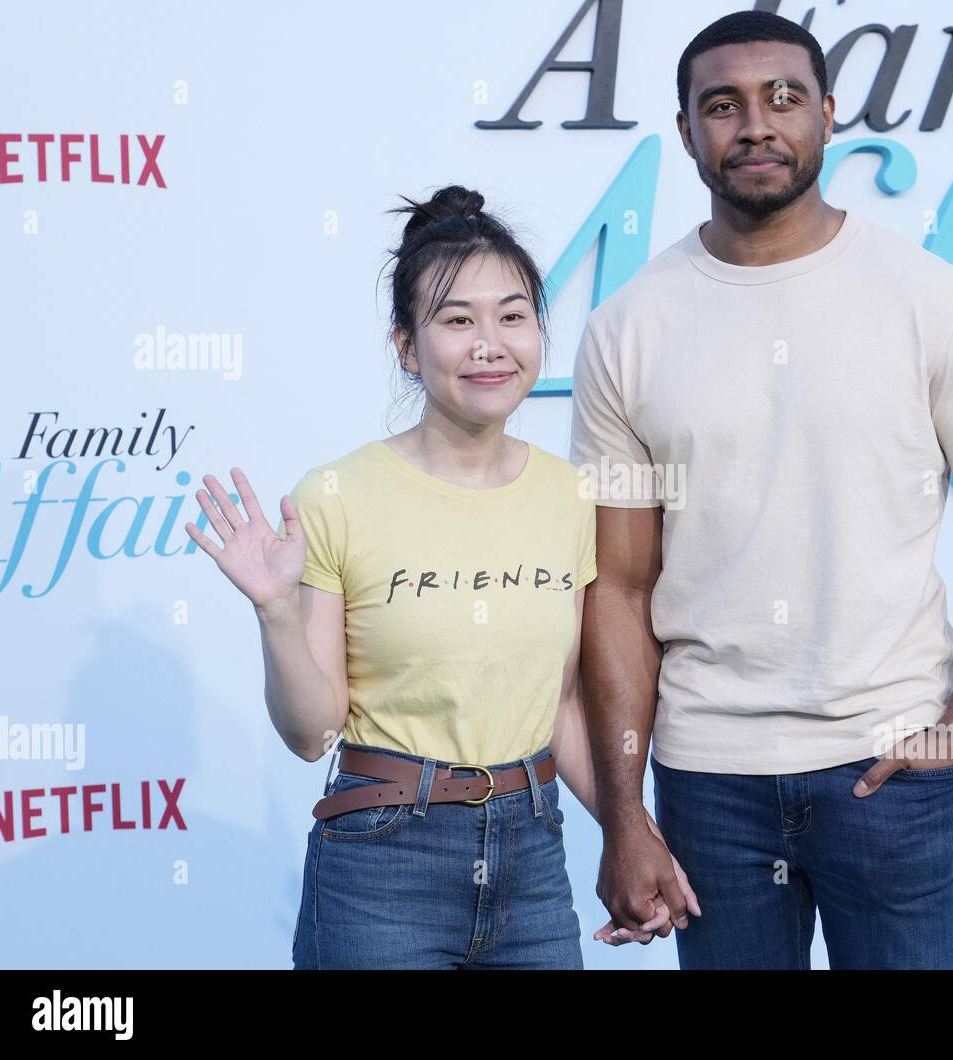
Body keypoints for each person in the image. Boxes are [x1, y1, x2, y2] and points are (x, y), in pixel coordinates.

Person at [570, 11, 953, 969]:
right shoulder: (628, 329)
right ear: (686, 132)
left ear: (829, 116)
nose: (755, 125)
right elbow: (620, 587)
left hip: (888, 776)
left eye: (784, 98)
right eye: (723, 105)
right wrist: (625, 813)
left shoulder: (926, 297)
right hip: (708, 782)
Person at [185, 185, 697, 969]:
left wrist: (637, 836)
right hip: (383, 860)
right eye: (457, 320)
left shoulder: (572, 497)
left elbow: (559, 705)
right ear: (406, 346)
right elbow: (311, 733)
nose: (489, 343)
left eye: (513, 316)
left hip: (532, 853)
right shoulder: (338, 494)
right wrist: (276, 612)